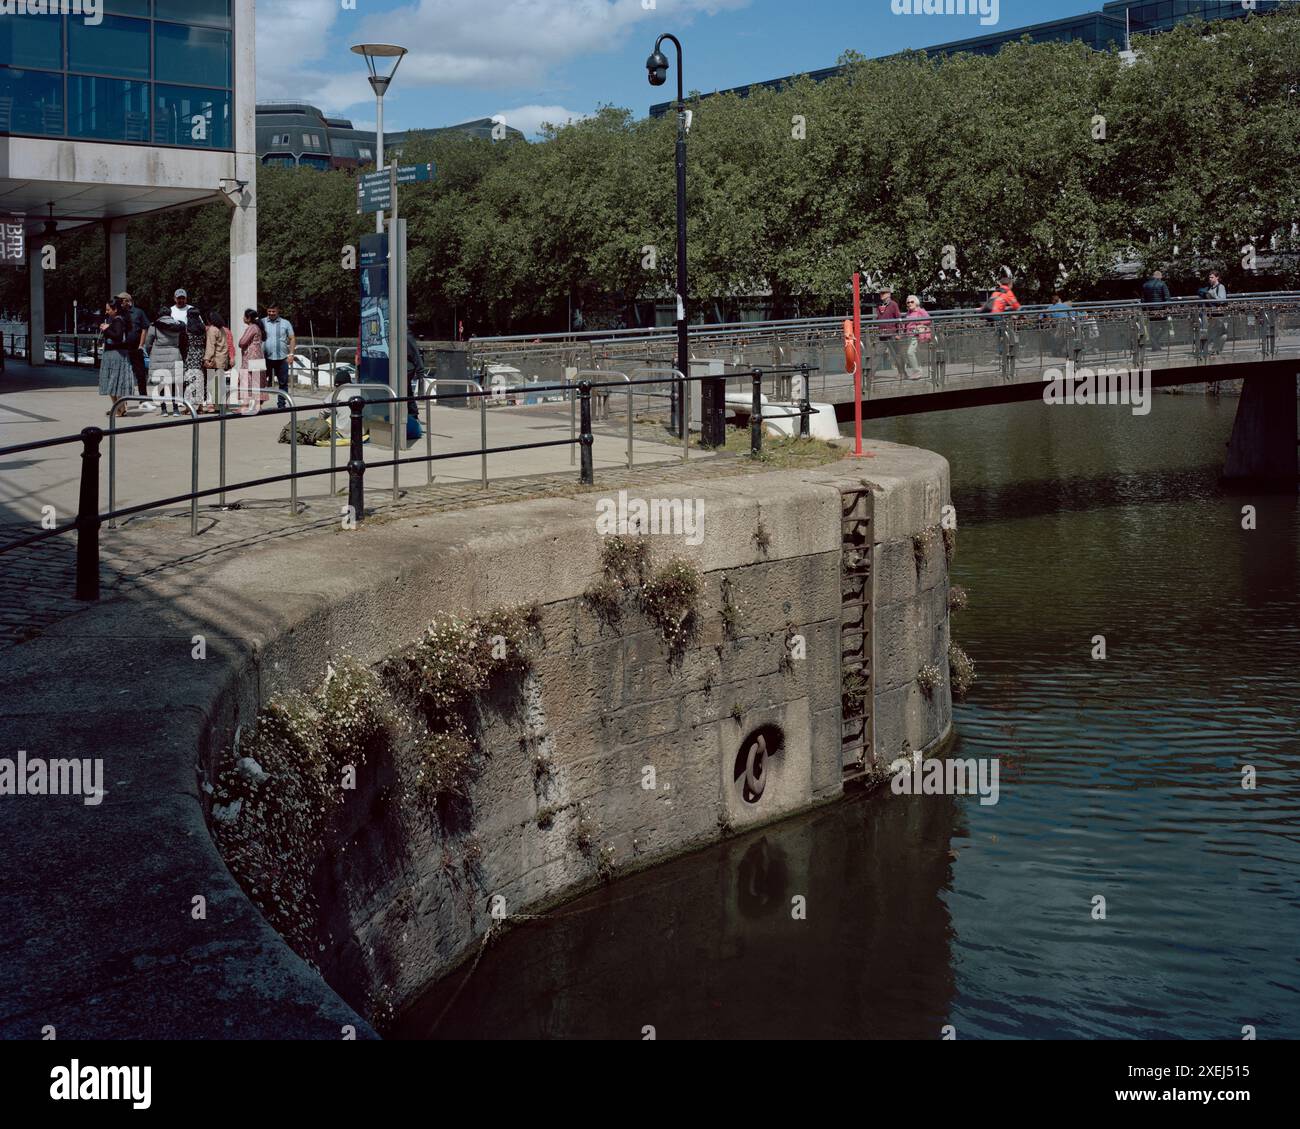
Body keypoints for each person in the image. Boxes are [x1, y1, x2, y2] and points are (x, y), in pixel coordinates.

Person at [97, 297, 135, 418]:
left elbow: (117, 336)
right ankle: (119, 407)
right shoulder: (120, 319)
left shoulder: (118, 320)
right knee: (116, 383)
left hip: (114, 355)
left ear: (115, 309)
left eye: (108, 309)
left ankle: (119, 408)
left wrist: (106, 329)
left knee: (112, 382)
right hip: (117, 354)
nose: (106, 312)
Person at [145, 308, 186, 415]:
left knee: (161, 383)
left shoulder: (154, 326)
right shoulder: (178, 325)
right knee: (173, 383)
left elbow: (148, 342)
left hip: (158, 356)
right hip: (174, 353)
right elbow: (183, 341)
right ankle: (176, 409)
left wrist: (150, 352)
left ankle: (164, 409)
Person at [117, 291, 153, 408]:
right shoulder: (119, 313)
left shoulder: (138, 312)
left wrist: (141, 345)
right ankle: (123, 401)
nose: (119, 303)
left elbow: (144, 328)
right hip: (122, 348)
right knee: (123, 374)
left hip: (136, 347)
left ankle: (143, 399)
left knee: (140, 373)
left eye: (121, 300)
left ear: (127, 301)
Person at [171, 289, 206, 407]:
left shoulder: (191, 309)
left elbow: (201, 326)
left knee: (190, 375)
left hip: (189, 348)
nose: (181, 300)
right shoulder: (171, 310)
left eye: (183, 298)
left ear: (186, 298)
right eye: (178, 298)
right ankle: (183, 397)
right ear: (174, 298)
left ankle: (191, 399)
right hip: (178, 346)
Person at [237, 309, 267, 413]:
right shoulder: (258, 327)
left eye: (244, 316)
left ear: (248, 318)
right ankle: (257, 405)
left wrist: (240, 342)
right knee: (257, 382)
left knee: (246, 380)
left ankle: (245, 406)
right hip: (258, 356)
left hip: (250, 357)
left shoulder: (251, 328)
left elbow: (242, 342)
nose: (243, 318)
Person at [261, 305, 296, 392]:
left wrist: (291, 354)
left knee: (283, 383)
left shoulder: (286, 323)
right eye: (269, 311)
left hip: (282, 358)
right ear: (267, 311)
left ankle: (281, 405)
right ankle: (259, 404)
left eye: (273, 311)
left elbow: (292, 338)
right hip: (265, 357)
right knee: (261, 382)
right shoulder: (261, 322)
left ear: (278, 311)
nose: (271, 313)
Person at [204, 312, 234, 413]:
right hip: (222, 359)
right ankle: (220, 404)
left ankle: (215, 406)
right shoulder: (222, 329)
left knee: (213, 384)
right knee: (220, 383)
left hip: (214, 360)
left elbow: (211, 346)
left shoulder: (212, 329)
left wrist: (207, 358)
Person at [875, 286, 906, 377]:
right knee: (877, 354)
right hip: (882, 334)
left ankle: (902, 373)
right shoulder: (879, 305)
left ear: (889, 294)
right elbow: (878, 319)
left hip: (892, 333)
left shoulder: (893, 304)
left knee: (897, 355)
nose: (881, 295)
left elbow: (898, 318)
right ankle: (870, 375)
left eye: (883, 293)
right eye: (880, 293)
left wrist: (899, 333)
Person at [903, 295, 932, 381]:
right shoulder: (908, 312)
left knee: (910, 352)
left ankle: (917, 372)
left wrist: (918, 322)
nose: (910, 304)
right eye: (908, 302)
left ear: (916, 303)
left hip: (916, 335)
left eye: (912, 302)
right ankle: (916, 371)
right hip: (909, 335)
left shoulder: (920, 311)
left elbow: (929, 320)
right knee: (913, 354)